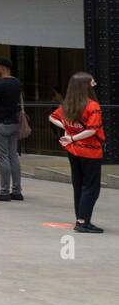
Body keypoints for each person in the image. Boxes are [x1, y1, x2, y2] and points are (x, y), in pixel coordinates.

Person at [49, 72, 105, 233]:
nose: (94, 83)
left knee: (78, 185)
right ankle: (83, 221)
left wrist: (68, 132)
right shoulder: (92, 105)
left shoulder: (67, 104)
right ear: (86, 86)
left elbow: (52, 117)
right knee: (91, 187)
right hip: (90, 151)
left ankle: (80, 218)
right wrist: (73, 137)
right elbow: (92, 130)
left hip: (73, 151)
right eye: (92, 82)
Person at [0, 57, 25, 201]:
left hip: (0, 123)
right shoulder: (17, 83)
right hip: (14, 124)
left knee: (3, 157)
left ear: (3, 68)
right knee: (13, 156)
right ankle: (16, 191)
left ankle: (4, 192)